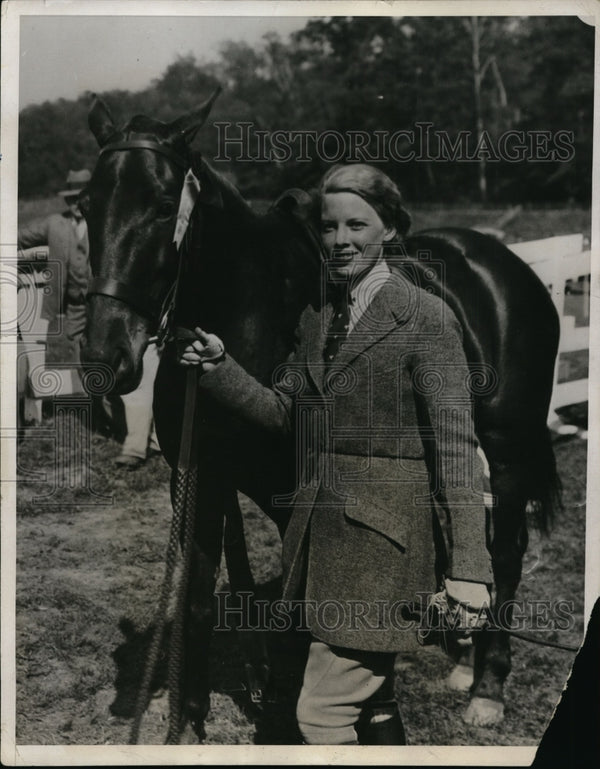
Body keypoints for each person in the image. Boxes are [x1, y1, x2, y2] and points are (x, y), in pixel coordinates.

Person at [178, 164, 494, 745]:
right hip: (314, 544)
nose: (340, 240)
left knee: (321, 716)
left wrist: (470, 570)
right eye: (329, 227)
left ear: (391, 230)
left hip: (382, 551)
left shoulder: (425, 318)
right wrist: (221, 369)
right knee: (363, 706)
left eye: (357, 225)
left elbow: (456, 449)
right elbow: (283, 411)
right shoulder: (319, 318)